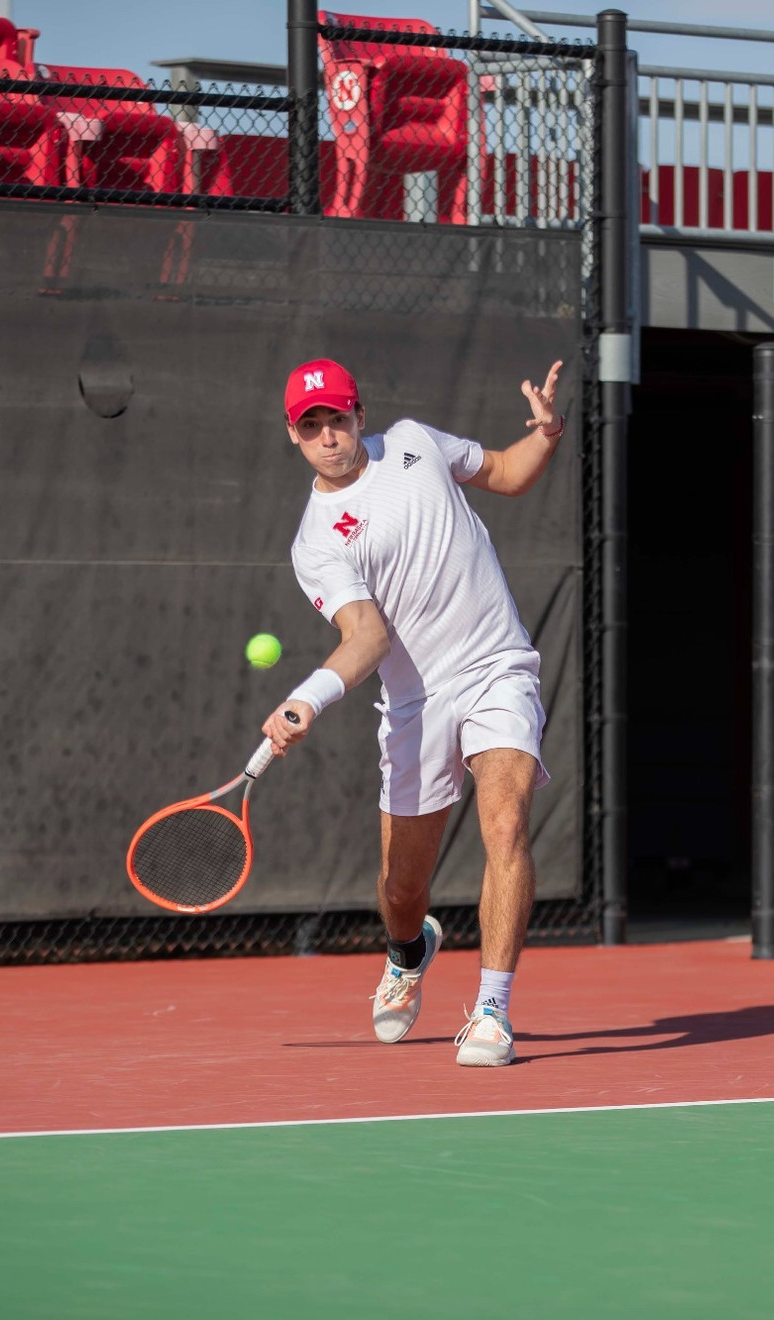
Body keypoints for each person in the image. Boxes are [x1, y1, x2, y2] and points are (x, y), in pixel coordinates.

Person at [262, 357, 565, 1068]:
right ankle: (407, 951)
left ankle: (492, 1009)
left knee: (506, 821)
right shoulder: (317, 542)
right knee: (403, 887)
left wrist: (547, 435)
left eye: (337, 418)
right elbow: (367, 635)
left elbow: (506, 471)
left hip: (497, 665)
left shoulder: (415, 443)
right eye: (312, 426)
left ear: (359, 415)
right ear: (294, 437)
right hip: (414, 704)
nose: (328, 435)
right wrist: (309, 696)